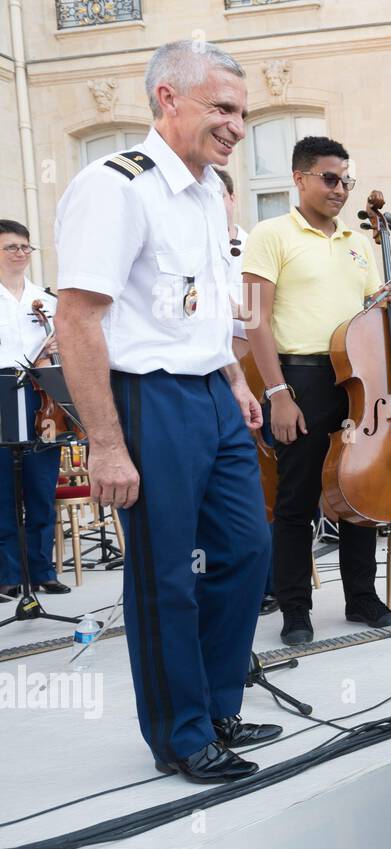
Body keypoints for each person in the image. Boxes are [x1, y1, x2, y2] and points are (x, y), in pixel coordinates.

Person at [54, 40, 278, 783]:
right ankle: (181, 734)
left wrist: (237, 382)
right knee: (167, 576)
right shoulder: (115, 186)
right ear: (167, 100)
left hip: (211, 394)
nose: (237, 126)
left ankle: (217, 704)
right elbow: (79, 319)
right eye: (222, 108)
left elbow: (204, 306)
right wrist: (107, 446)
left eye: (242, 112)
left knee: (247, 551)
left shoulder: (211, 191)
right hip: (149, 399)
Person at [242, 135, 391, 646]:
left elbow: (368, 315)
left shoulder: (359, 243)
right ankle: (295, 607)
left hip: (355, 380)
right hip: (300, 377)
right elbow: (253, 319)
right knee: (296, 499)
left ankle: (361, 596)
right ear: (300, 177)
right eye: (330, 179)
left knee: (361, 490)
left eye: (346, 181)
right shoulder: (269, 235)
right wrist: (277, 392)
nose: (340, 190)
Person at [216, 171, 277, 616]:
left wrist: (231, 306)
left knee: (261, 474)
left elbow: (260, 310)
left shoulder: (255, 243)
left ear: (232, 197)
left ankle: (267, 579)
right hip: (207, 364)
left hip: (249, 359)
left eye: (216, 193)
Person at [0, 219, 67, 599]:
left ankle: (42, 569)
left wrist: (56, 349)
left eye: (26, 247)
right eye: (12, 247)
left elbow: (63, 351)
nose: (21, 254)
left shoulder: (47, 300)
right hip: (2, 393)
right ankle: (8, 573)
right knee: (4, 490)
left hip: (42, 399)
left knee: (41, 486)